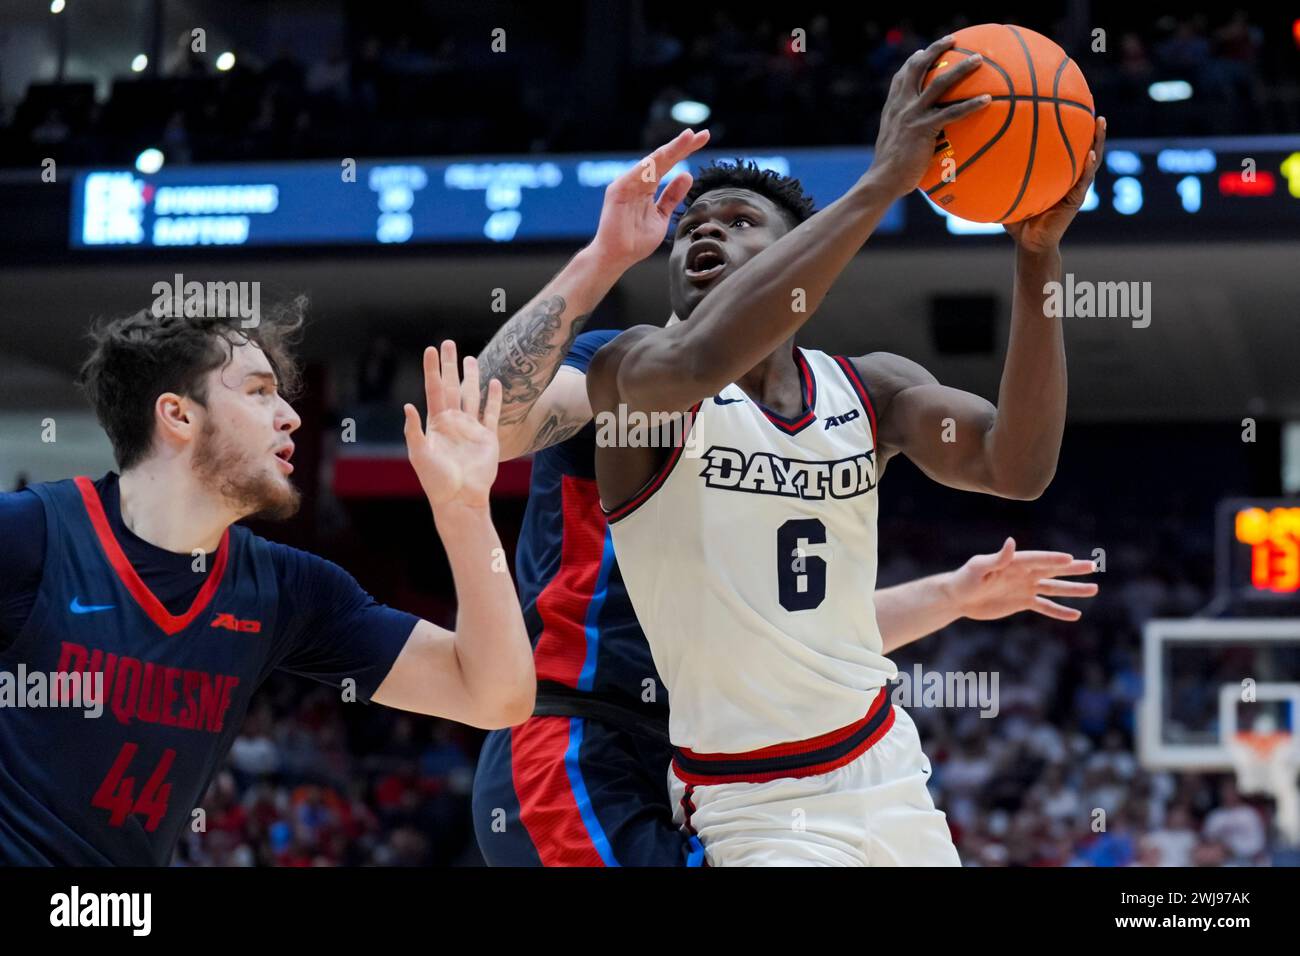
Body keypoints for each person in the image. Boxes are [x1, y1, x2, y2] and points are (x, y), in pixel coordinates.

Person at [471, 60, 1100, 863]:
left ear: (798, 253)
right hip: (593, 734)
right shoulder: (630, 369)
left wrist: (1039, 256)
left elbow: (1016, 468)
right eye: (692, 226)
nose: (705, 232)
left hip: (857, 759)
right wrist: (881, 181)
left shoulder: (868, 389)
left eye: (740, 221)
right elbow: (487, 426)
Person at [0, 299, 533, 865]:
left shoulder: (282, 590)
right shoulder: (30, 537)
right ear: (178, 415)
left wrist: (465, 510)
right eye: (258, 391)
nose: (290, 416)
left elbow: (494, 697)